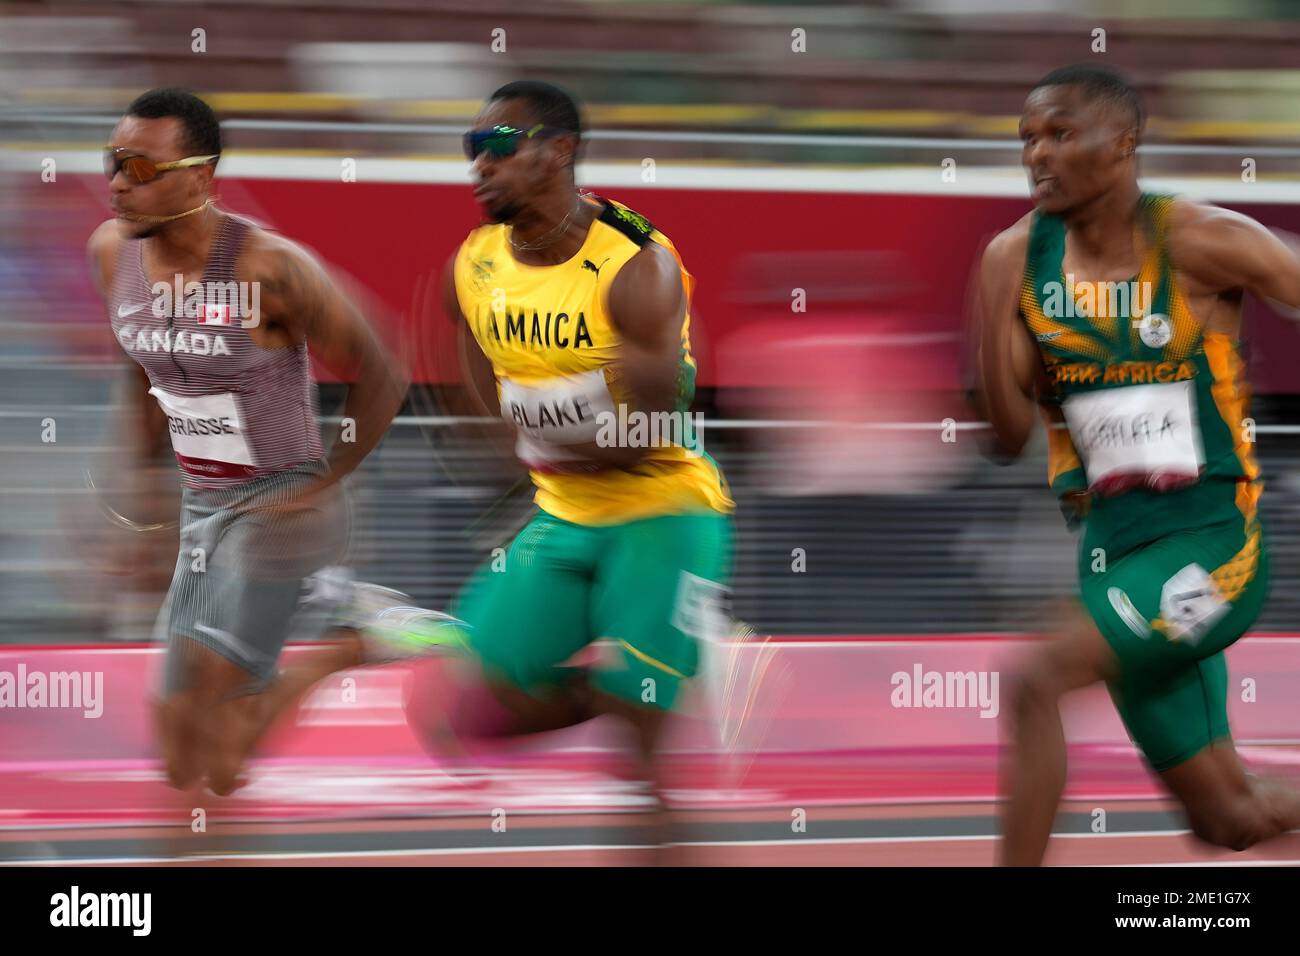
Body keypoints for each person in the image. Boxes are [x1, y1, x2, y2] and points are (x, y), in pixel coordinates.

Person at [976, 64, 1300, 865]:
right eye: (1027, 140)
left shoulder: (1200, 240)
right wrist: (994, 301)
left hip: (1214, 548)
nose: (1037, 156)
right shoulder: (1016, 259)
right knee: (1230, 821)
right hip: (1111, 561)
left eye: (1059, 134)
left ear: (1122, 144)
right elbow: (1007, 433)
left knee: (1033, 681)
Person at [87, 88, 407, 796]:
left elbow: (383, 367)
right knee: (180, 764)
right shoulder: (113, 253)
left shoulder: (269, 268)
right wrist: (138, 497)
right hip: (204, 508)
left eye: (140, 168)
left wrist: (328, 479)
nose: (116, 182)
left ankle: (349, 645)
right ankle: (352, 636)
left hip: (282, 509)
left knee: (221, 766)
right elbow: (137, 366)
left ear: (200, 176)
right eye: (112, 162)